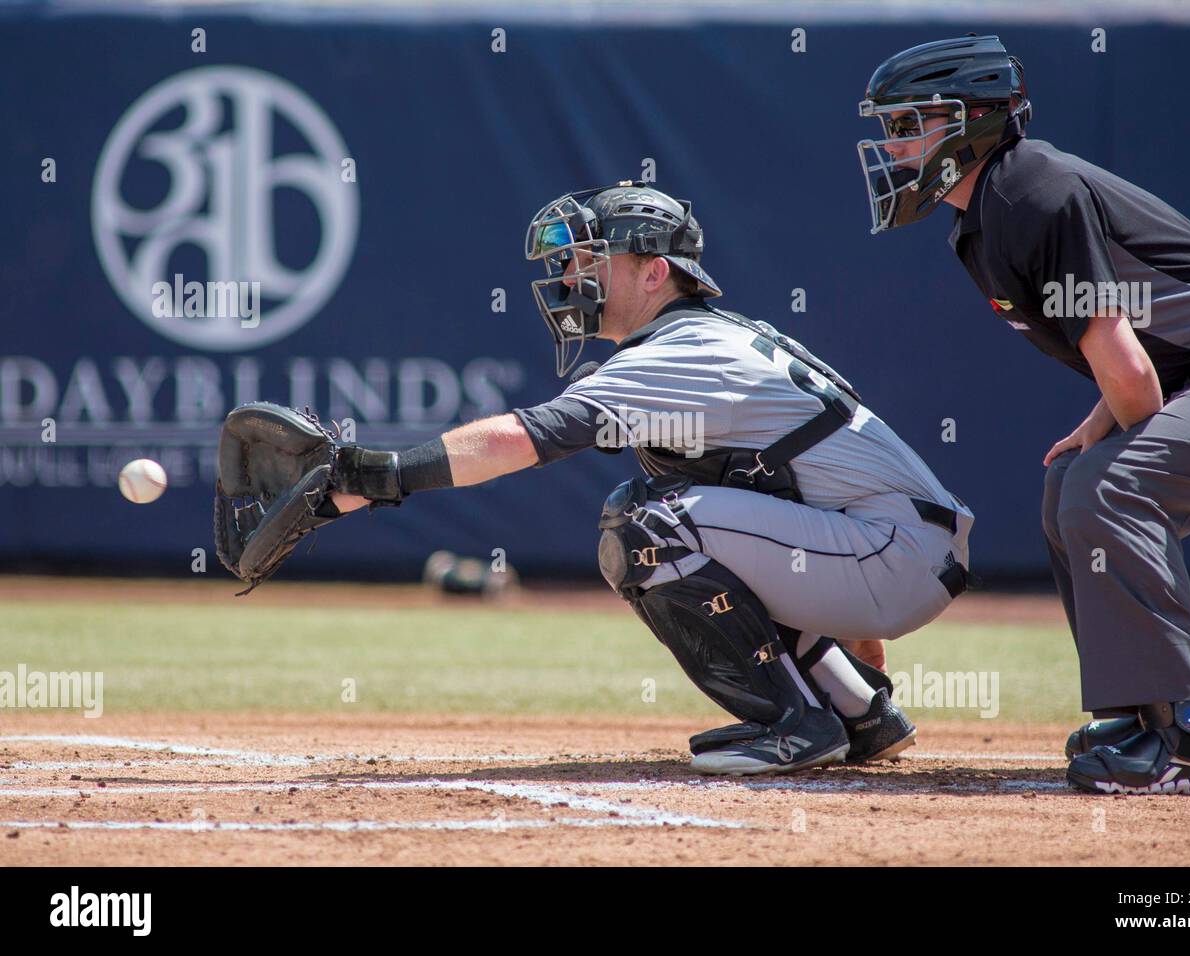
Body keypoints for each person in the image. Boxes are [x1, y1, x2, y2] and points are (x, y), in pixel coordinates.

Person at [331, 181, 975, 775]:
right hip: (894, 545)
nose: (568, 276)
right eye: (566, 263)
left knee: (647, 525)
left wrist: (372, 476)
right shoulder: (702, 337)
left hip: (892, 551)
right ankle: (859, 715)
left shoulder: (684, 348)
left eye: (589, 259)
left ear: (654, 271)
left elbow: (518, 439)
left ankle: (797, 723)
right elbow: (824, 489)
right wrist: (866, 664)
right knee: (678, 517)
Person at [857, 34, 1190, 794]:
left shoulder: (1033, 191)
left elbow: (1131, 359)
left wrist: (1121, 418)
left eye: (909, 125)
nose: (894, 147)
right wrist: (1104, 420)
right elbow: (1145, 342)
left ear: (971, 123)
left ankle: (1189, 739)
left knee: (1108, 490)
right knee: (1072, 484)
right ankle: (1136, 713)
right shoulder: (987, 214)